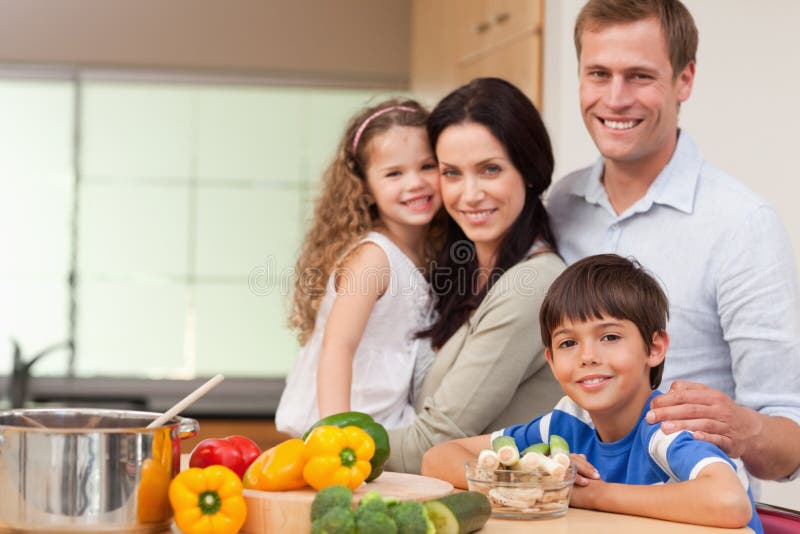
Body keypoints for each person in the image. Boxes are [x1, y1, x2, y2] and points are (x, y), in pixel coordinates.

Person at [546, 0, 800, 481]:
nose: (615, 98)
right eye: (598, 73)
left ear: (685, 79)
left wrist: (740, 429)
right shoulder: (560, 207)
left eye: (639, 76)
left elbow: (792, 441)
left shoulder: (742, 224)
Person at [422, 254, 763, 533]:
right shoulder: (568, 422)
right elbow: (438, 459)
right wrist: (536, 474)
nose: (587, 356)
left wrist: (589, 494)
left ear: (654, 347)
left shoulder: (667, 426)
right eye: (568, 343)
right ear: (552, 362)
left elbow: (729, 502)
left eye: (610, 337)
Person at [385, 78, 565, 474]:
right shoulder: (465, 273)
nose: (469, 194)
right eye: (451, 173)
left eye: (490, 170)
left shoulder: (532, 285)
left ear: (529, 171)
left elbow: (429, 447)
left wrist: (320, 442)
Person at [275, 99, 445, 436]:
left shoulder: (424, 251)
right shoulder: (374, 258)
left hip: (381, 427)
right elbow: (338, 347)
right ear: (365, 190)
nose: (415, 183)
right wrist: (335, 436)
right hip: (340, 429)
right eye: (394, 173)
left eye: (427, 166)